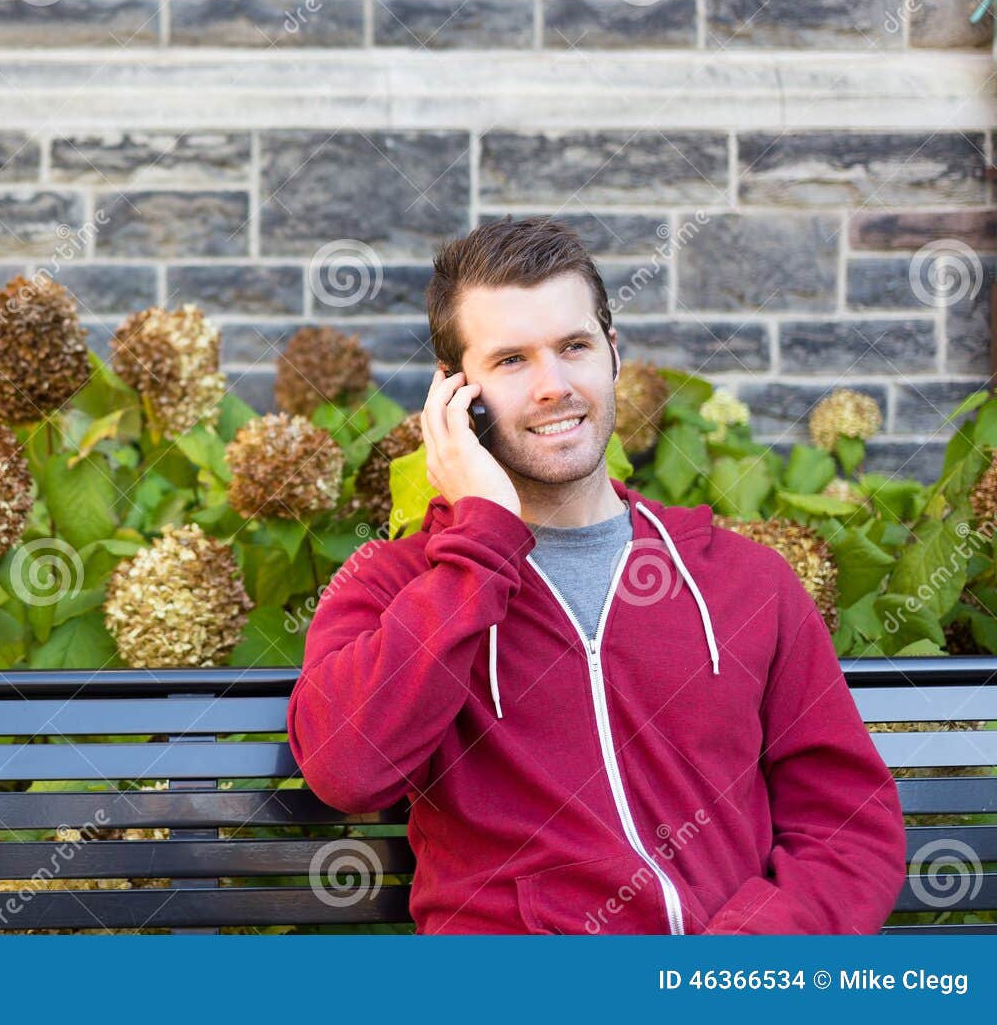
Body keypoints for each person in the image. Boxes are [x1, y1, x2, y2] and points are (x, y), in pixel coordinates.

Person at [285, 215, 907, 934]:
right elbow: (346, 768)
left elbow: (848, 821)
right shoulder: (396, 584)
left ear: (612, 354)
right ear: (456, 398)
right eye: (512, 360)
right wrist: (479, 545)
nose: (553, 385)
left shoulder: (744, 581)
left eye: (573, 347)